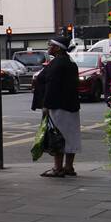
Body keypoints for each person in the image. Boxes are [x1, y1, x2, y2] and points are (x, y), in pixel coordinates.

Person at [40, 34, 81, 178]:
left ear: (57, 48)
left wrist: (46, 105)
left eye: (50, 45)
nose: (49, 48)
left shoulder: (56, 64)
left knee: (57, 136)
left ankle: (57, 168)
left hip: (58, 106)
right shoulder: (70, 62)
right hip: (72, 105)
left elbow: (51, 87)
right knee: (71, 136)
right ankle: (68, 167)